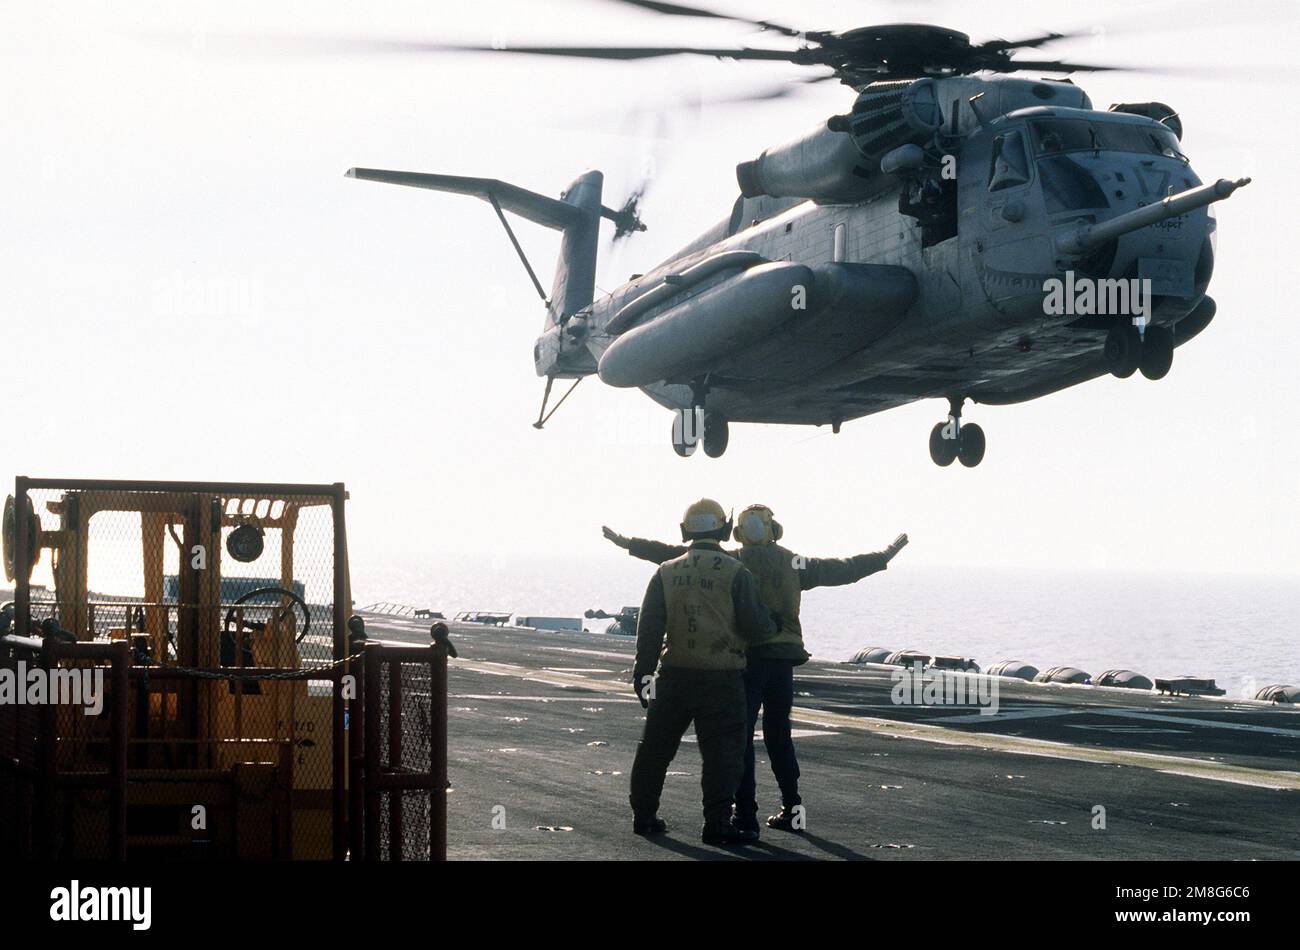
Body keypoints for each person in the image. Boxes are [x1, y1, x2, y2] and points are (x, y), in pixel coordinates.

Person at [606, 505, 907, 837]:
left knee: (692, 746)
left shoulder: (701, 565)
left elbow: (661, 590)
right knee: (755, 743)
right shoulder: (775, 564)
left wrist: (627, 543)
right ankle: (767, 813)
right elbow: (843, 570)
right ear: (770, 528)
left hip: (707, 668)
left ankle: (714, 816)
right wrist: (885, 555)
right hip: (756, 667)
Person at [627, 498, 778, 846]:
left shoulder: (666, 570)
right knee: (723, 754)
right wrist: (775, 623)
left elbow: (649, 627)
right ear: (725, 530)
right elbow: (757, 628)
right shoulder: (736, 572)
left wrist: (643, 673)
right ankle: (717, 823)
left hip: (673, 676)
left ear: (684, 531)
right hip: (721, 679)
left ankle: (644, 816)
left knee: (654, 750)